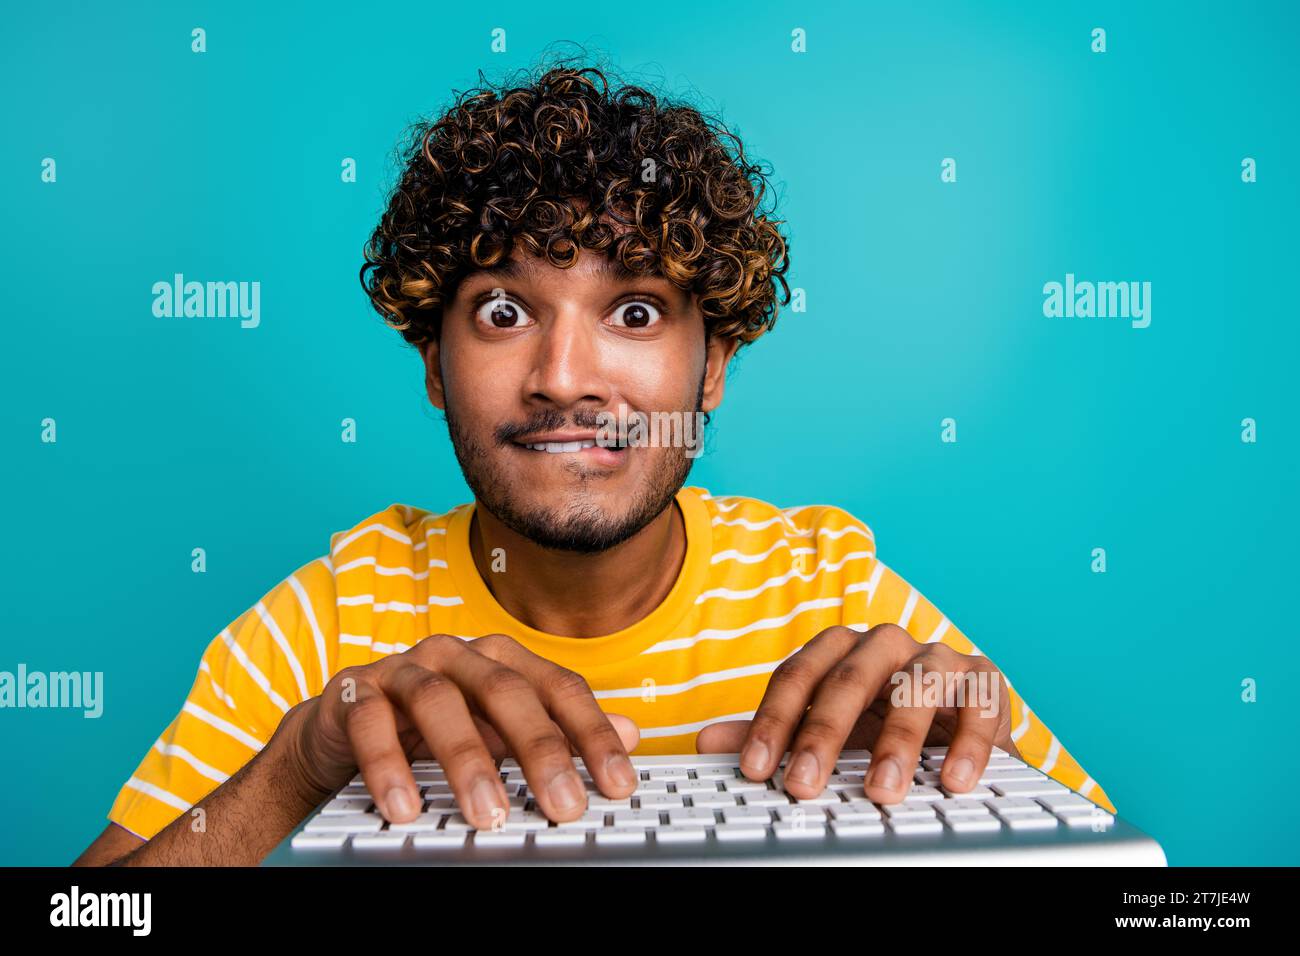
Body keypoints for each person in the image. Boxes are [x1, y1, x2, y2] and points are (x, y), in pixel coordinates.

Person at [75, 61, 1112, 866]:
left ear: (712, 370)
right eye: (502, 310)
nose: (564, 376)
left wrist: (990, 764)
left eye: (634, 310)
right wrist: (297, 766)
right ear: (435, 365)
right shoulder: (333, 621)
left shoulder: (827, 589)